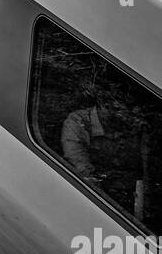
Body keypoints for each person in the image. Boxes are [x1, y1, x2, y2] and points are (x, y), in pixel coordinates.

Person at [61, 90, 152, 222]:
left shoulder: (134, 127)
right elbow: (82, 171)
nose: (125, 117)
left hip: (131, 202)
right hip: (93, 204)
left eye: (129, 111)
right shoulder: (77, 122)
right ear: (103, 104)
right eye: (119, 110)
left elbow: (145, 172)